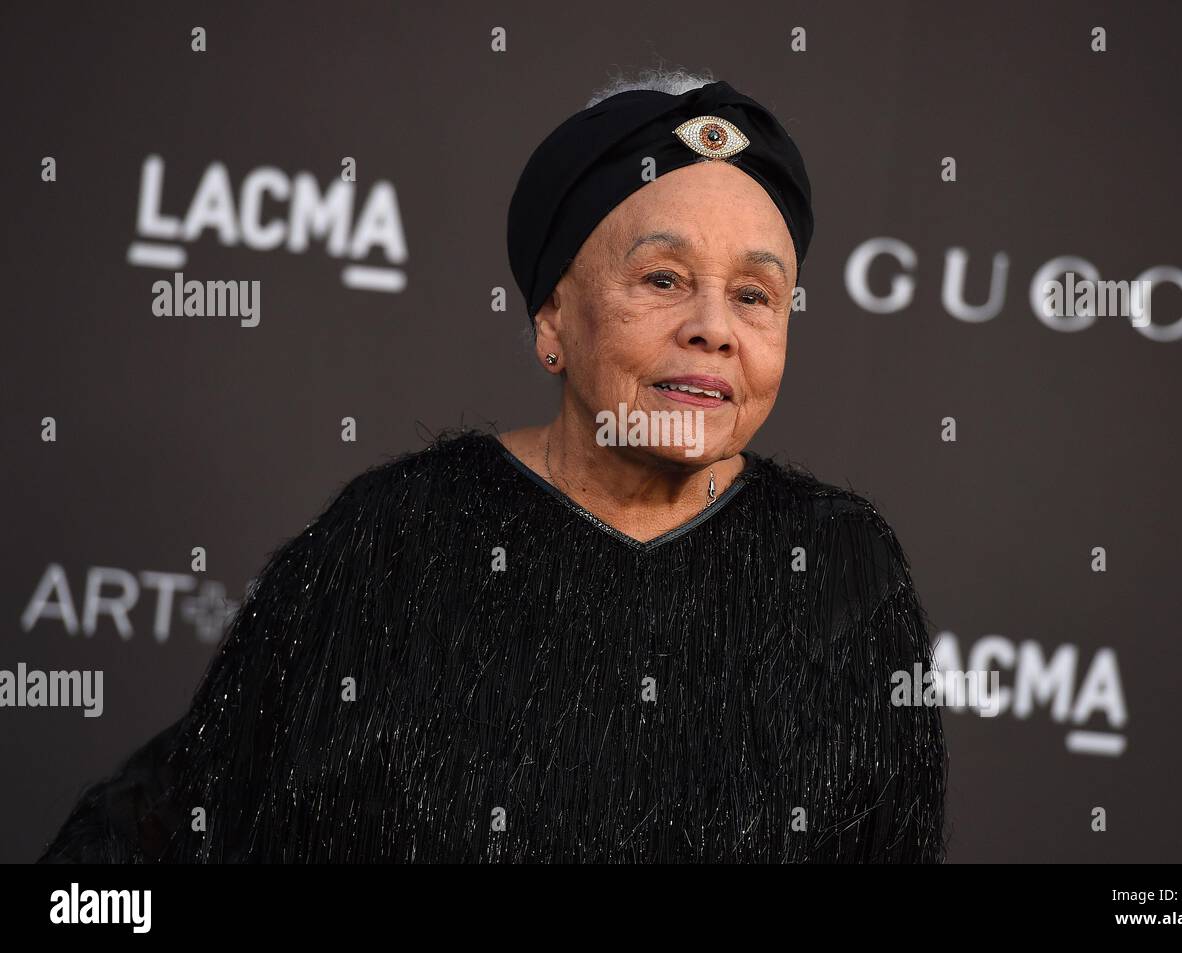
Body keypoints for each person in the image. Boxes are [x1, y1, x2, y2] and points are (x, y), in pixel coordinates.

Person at [39, 70, 948, 863]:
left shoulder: (844, 569)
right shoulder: (390, 538)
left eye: (755, 295)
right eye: (662, 279)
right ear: (553, 319)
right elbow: (183, 819)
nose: (714, 326)